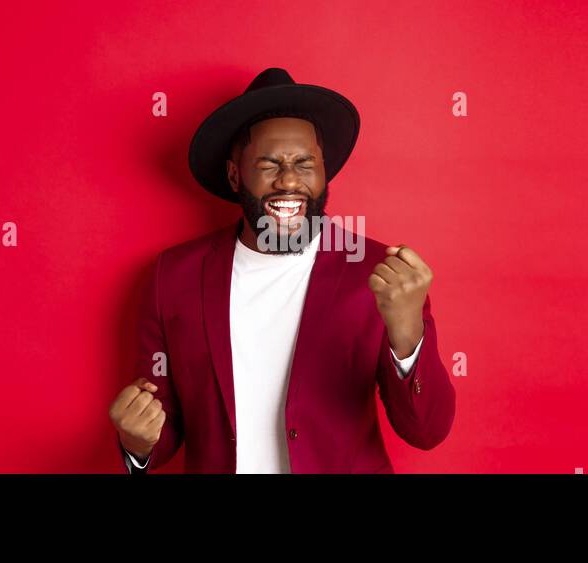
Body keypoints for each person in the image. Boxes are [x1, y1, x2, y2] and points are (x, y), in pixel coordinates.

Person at [108, 67, 455, 473]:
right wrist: (137, 441)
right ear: (236, 175)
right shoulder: (173, 276)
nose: (289, 180)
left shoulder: (380, 274)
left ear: (324, 171)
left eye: (305, 163)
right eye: (269, 164)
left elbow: (427, 431)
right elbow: (161, 424)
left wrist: (408, 333)